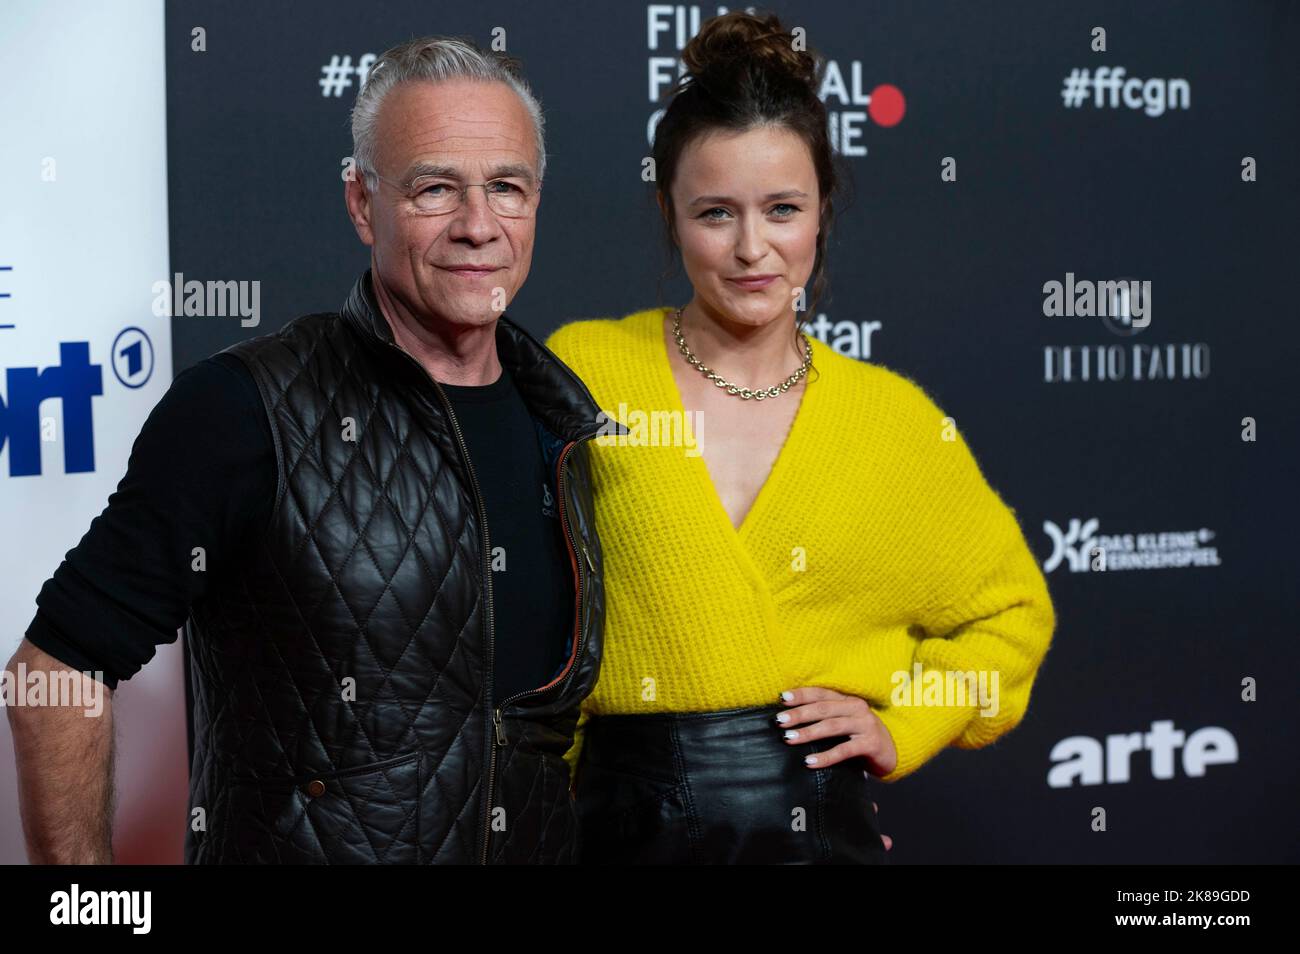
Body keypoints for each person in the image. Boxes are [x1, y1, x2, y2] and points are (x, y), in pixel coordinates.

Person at [5, 36, 609, 864]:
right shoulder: (246, 407)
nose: (479, 226)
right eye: (436, 189)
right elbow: (53, 675)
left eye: (506, 187)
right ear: (362, 202)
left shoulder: (564, 420)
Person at [546, 10, 1056, 864]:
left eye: (783, 209)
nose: (753, 250)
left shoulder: (892, 418)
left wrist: (907, 723)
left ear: (823, 211)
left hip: (817, 833)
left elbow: (1013, 614)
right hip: (615, 833)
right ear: (669, 215)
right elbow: (526, 626)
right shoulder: (586, 370)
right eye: (715, 213)